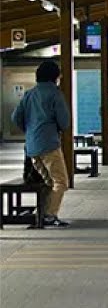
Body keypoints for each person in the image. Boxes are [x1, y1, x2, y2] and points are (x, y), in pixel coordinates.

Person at [10, 60, 72, 227]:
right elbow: (65, 122)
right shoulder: (55, 94)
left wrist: (30, 130)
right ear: (55, 77)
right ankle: (50, 215)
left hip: (32, 147)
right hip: (49, 145)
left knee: (49, 182)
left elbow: (15, 117)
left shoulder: (30, 94)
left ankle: (42, 213)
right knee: (61, 182)